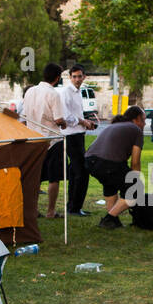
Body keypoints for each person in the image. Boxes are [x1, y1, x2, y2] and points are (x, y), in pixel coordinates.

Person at [20, 63, 68, 217]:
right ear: (57, 77)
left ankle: (32, 209)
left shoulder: (30, 91)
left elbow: (25, 115)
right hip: (52, 139)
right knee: (54, 178)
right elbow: (59, 119)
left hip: (34, 139)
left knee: (36, 177)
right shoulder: (53, 94)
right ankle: (51, 210)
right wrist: (65, 123)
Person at [85, 106, 145, 229]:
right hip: (107, 163)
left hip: (89, 160)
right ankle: (109, 218)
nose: (144, 124)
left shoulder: (114, 125)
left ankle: (114, 221)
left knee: (110, 183)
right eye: (143, 120)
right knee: (136, 188)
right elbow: (135, 161)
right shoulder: (136, 130)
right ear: (137, 119)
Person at [59, 63, 98, 216]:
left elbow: (74, 115)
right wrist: (83, 122)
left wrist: (86, 123)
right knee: (81, 171)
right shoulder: (66, 92)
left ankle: (73, 207)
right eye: (74, 77)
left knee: (76, 171)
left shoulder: (78, 92)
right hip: (70, 136)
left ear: (84, 77)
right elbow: (66, 116)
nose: (77, 79)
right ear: (70, 77)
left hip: (78, 134)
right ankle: (74, 207)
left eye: (79, 76)